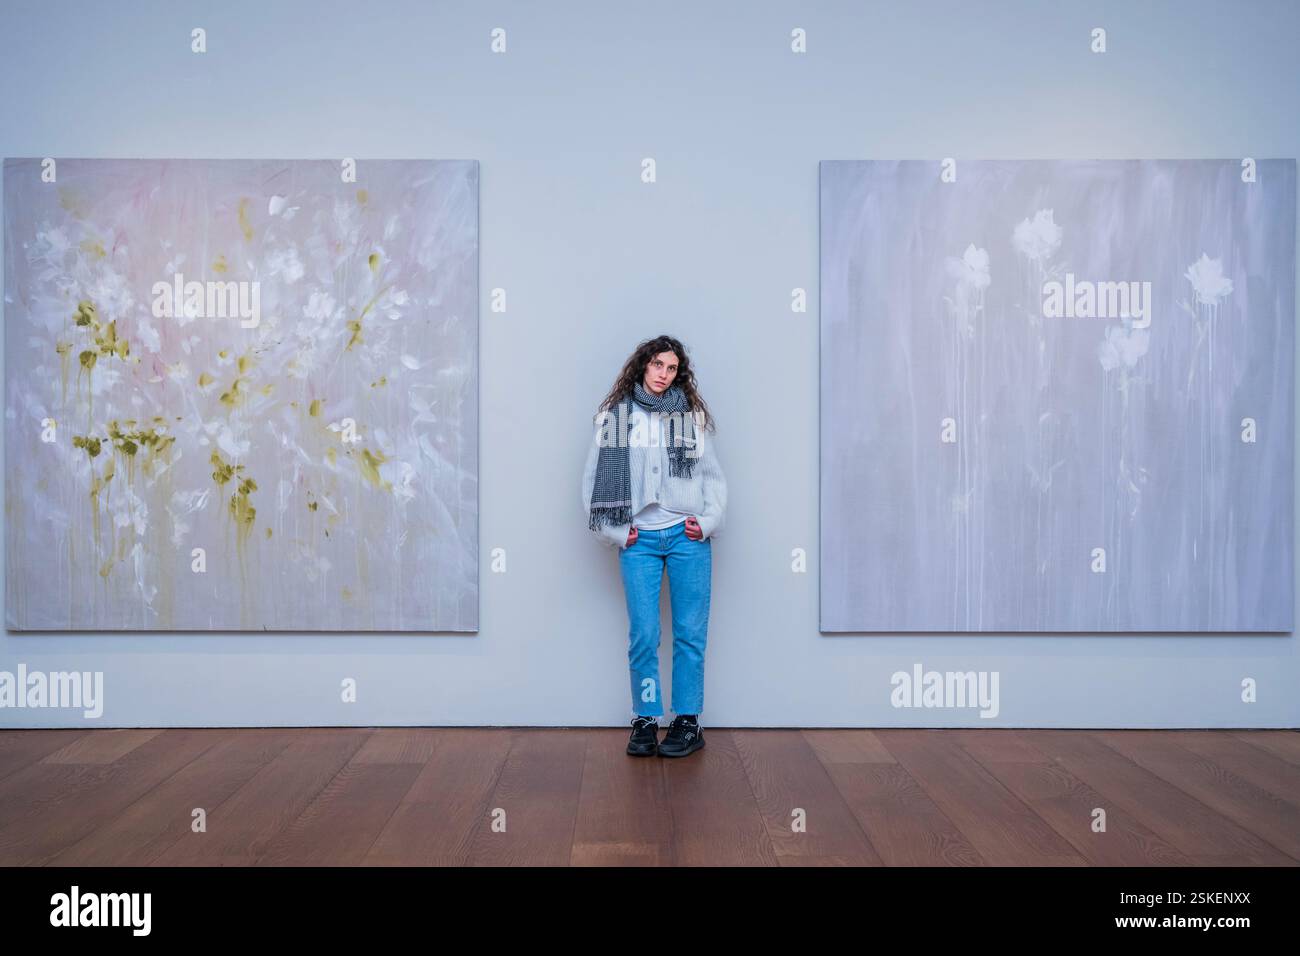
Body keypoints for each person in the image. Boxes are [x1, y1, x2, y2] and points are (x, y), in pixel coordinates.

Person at [581, 335, 727, 758]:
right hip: (640, 541)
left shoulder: (690, 416)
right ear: (642, 366)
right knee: (644, 634)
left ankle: (686, 721)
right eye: (658, 365)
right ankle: (645, 719)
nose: (664, 375)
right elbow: (593, 480)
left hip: (687, 537)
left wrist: (708, 521)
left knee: (689, 633)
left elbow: (713, 477)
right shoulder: (615, 417)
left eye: (672, 368)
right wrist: (615, 532)